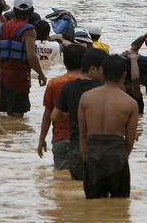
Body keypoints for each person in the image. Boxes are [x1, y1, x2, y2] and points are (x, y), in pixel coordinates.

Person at [77, 55, 139, 199]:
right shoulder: (130, 103)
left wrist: (86, 158)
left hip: (92, 156)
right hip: (117, 157)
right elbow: (130, 141)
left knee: (92, 209)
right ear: (124, 74)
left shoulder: (86, 98)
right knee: (120, 211)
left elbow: (82, 134)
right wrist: (123, 158)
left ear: (102, 72)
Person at [52, 48, 106, 180]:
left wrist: (71, 111)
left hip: (76, 149)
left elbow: (54, 116)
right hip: (99, 150)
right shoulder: (102, 88)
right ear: (93, 69)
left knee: (73, 190)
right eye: (103, 69)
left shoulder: (68, 88)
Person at [0, 0, 47, 117]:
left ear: (14, 11)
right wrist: (41, 75)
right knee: (18, 118)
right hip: (19, 78)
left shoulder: (2, 27)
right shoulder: (29, 30)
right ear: (32, 12)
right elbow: (31, 57)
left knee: (9, 115)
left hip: (4, 77)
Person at [38, 44, 84, 170]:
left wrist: (41, 139)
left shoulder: (54, 83)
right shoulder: (90, 83)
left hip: (60, 139)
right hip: (84, 141)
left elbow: (48, 114)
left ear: (64, 60)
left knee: (61, 182)